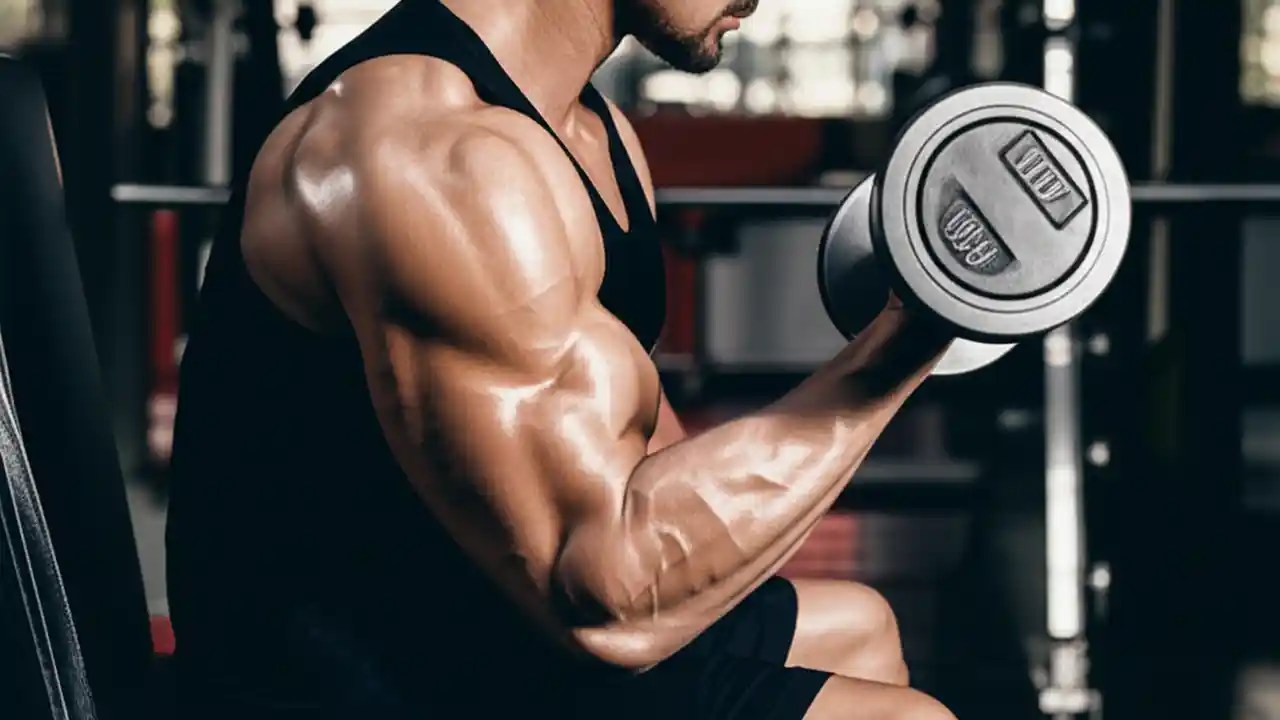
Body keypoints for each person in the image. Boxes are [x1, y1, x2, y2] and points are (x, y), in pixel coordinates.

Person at [166, 1, 958, 718]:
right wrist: (912, 334)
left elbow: (651, 469)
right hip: (339, 691)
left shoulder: (590, 135)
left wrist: (922, 318)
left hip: (468, 635)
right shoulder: (432, 156)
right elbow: (606, 594)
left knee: (857, 626)